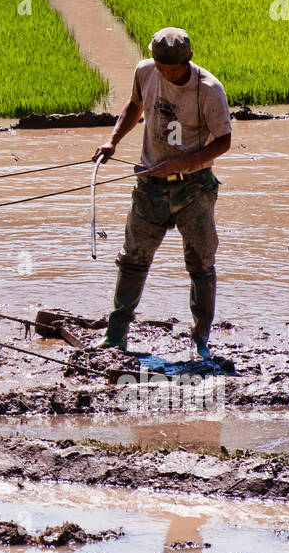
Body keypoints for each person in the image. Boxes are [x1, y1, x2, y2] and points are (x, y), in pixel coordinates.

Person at [93, 27, 232, 359]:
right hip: (149, 187)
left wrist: (179, 164)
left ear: (190, 59)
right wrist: (112, 141)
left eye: (175, 69)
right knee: (132, 260)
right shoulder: (145, 71)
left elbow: (223, 141)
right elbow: (133, 106)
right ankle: (116, 336)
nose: (168, 74)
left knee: (200, 263)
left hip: (194, 189)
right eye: (162, 67)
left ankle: (200, 339)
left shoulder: (209, 90)